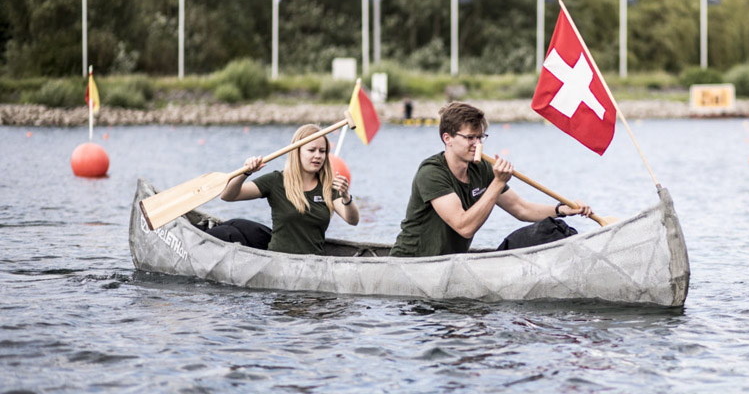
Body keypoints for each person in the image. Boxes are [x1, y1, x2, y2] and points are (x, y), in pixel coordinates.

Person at [389, 102, 593, 257]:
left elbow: (521, 209)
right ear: (447, 139)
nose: (477, 144)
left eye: (481, 137)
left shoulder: (481, 168)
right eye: (470, 138)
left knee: (551, 229)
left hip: (451, 263)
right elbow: (464, 227)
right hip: (413, 262)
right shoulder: (431, 173)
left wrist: (561, 210)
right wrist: (497, 183)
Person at [217, 123, 359, 254]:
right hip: (278, 260)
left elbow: (352, 220)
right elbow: (228, 196)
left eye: (322, 151)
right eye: (311, 150)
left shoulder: (328, 187)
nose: (318, 156)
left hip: (314, 263)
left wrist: (346, 196)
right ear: (297, 152)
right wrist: (245, 172)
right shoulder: (276, 181)